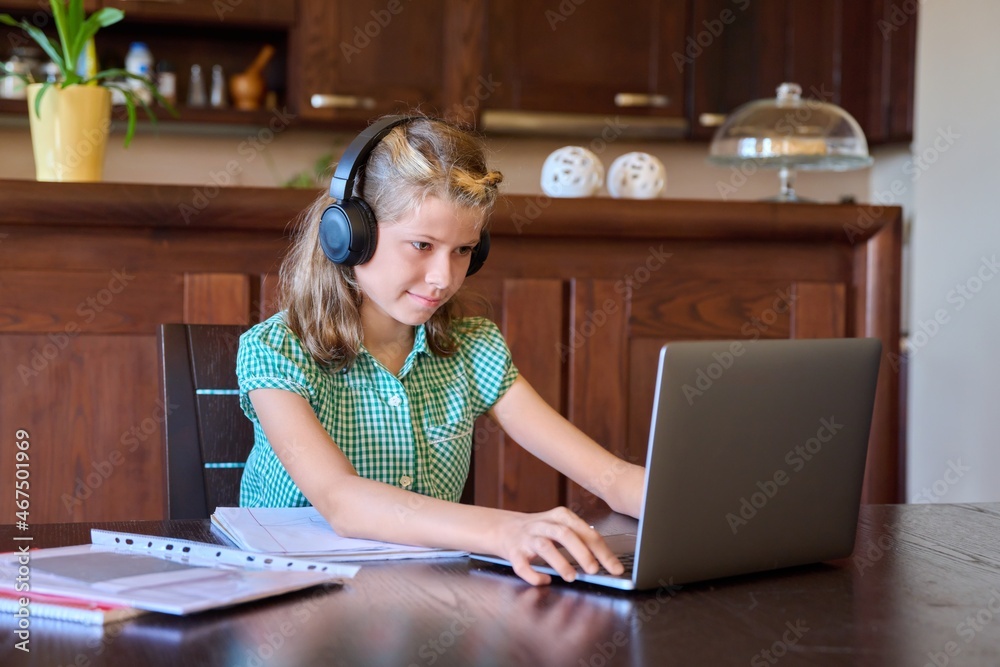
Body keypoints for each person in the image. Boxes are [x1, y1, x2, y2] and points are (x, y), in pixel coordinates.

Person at [237, 114, 645, 586]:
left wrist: (699, 507)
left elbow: (609, 476)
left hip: (428, 594)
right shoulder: (275, 351)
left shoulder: (474, 349)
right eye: (422, 244)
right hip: (297, 601)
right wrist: (505, 527)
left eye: (463, 250)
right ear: (348, 235)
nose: (443, 277)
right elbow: (341, 501)